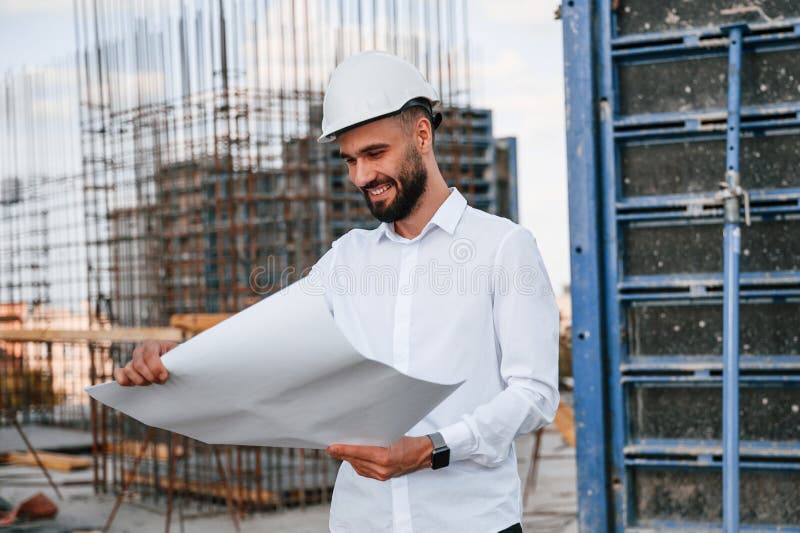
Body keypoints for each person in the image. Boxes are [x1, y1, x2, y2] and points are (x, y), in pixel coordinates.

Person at [116, 50, 559, 533]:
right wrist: (177, 361)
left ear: (422, 134)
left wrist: (434, 448)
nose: (361, 177)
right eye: (350, 160)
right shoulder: (348, 259)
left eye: (374, 154)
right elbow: (267, 341)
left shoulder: (503, 248)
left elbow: (534, 394)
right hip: (361, 521)